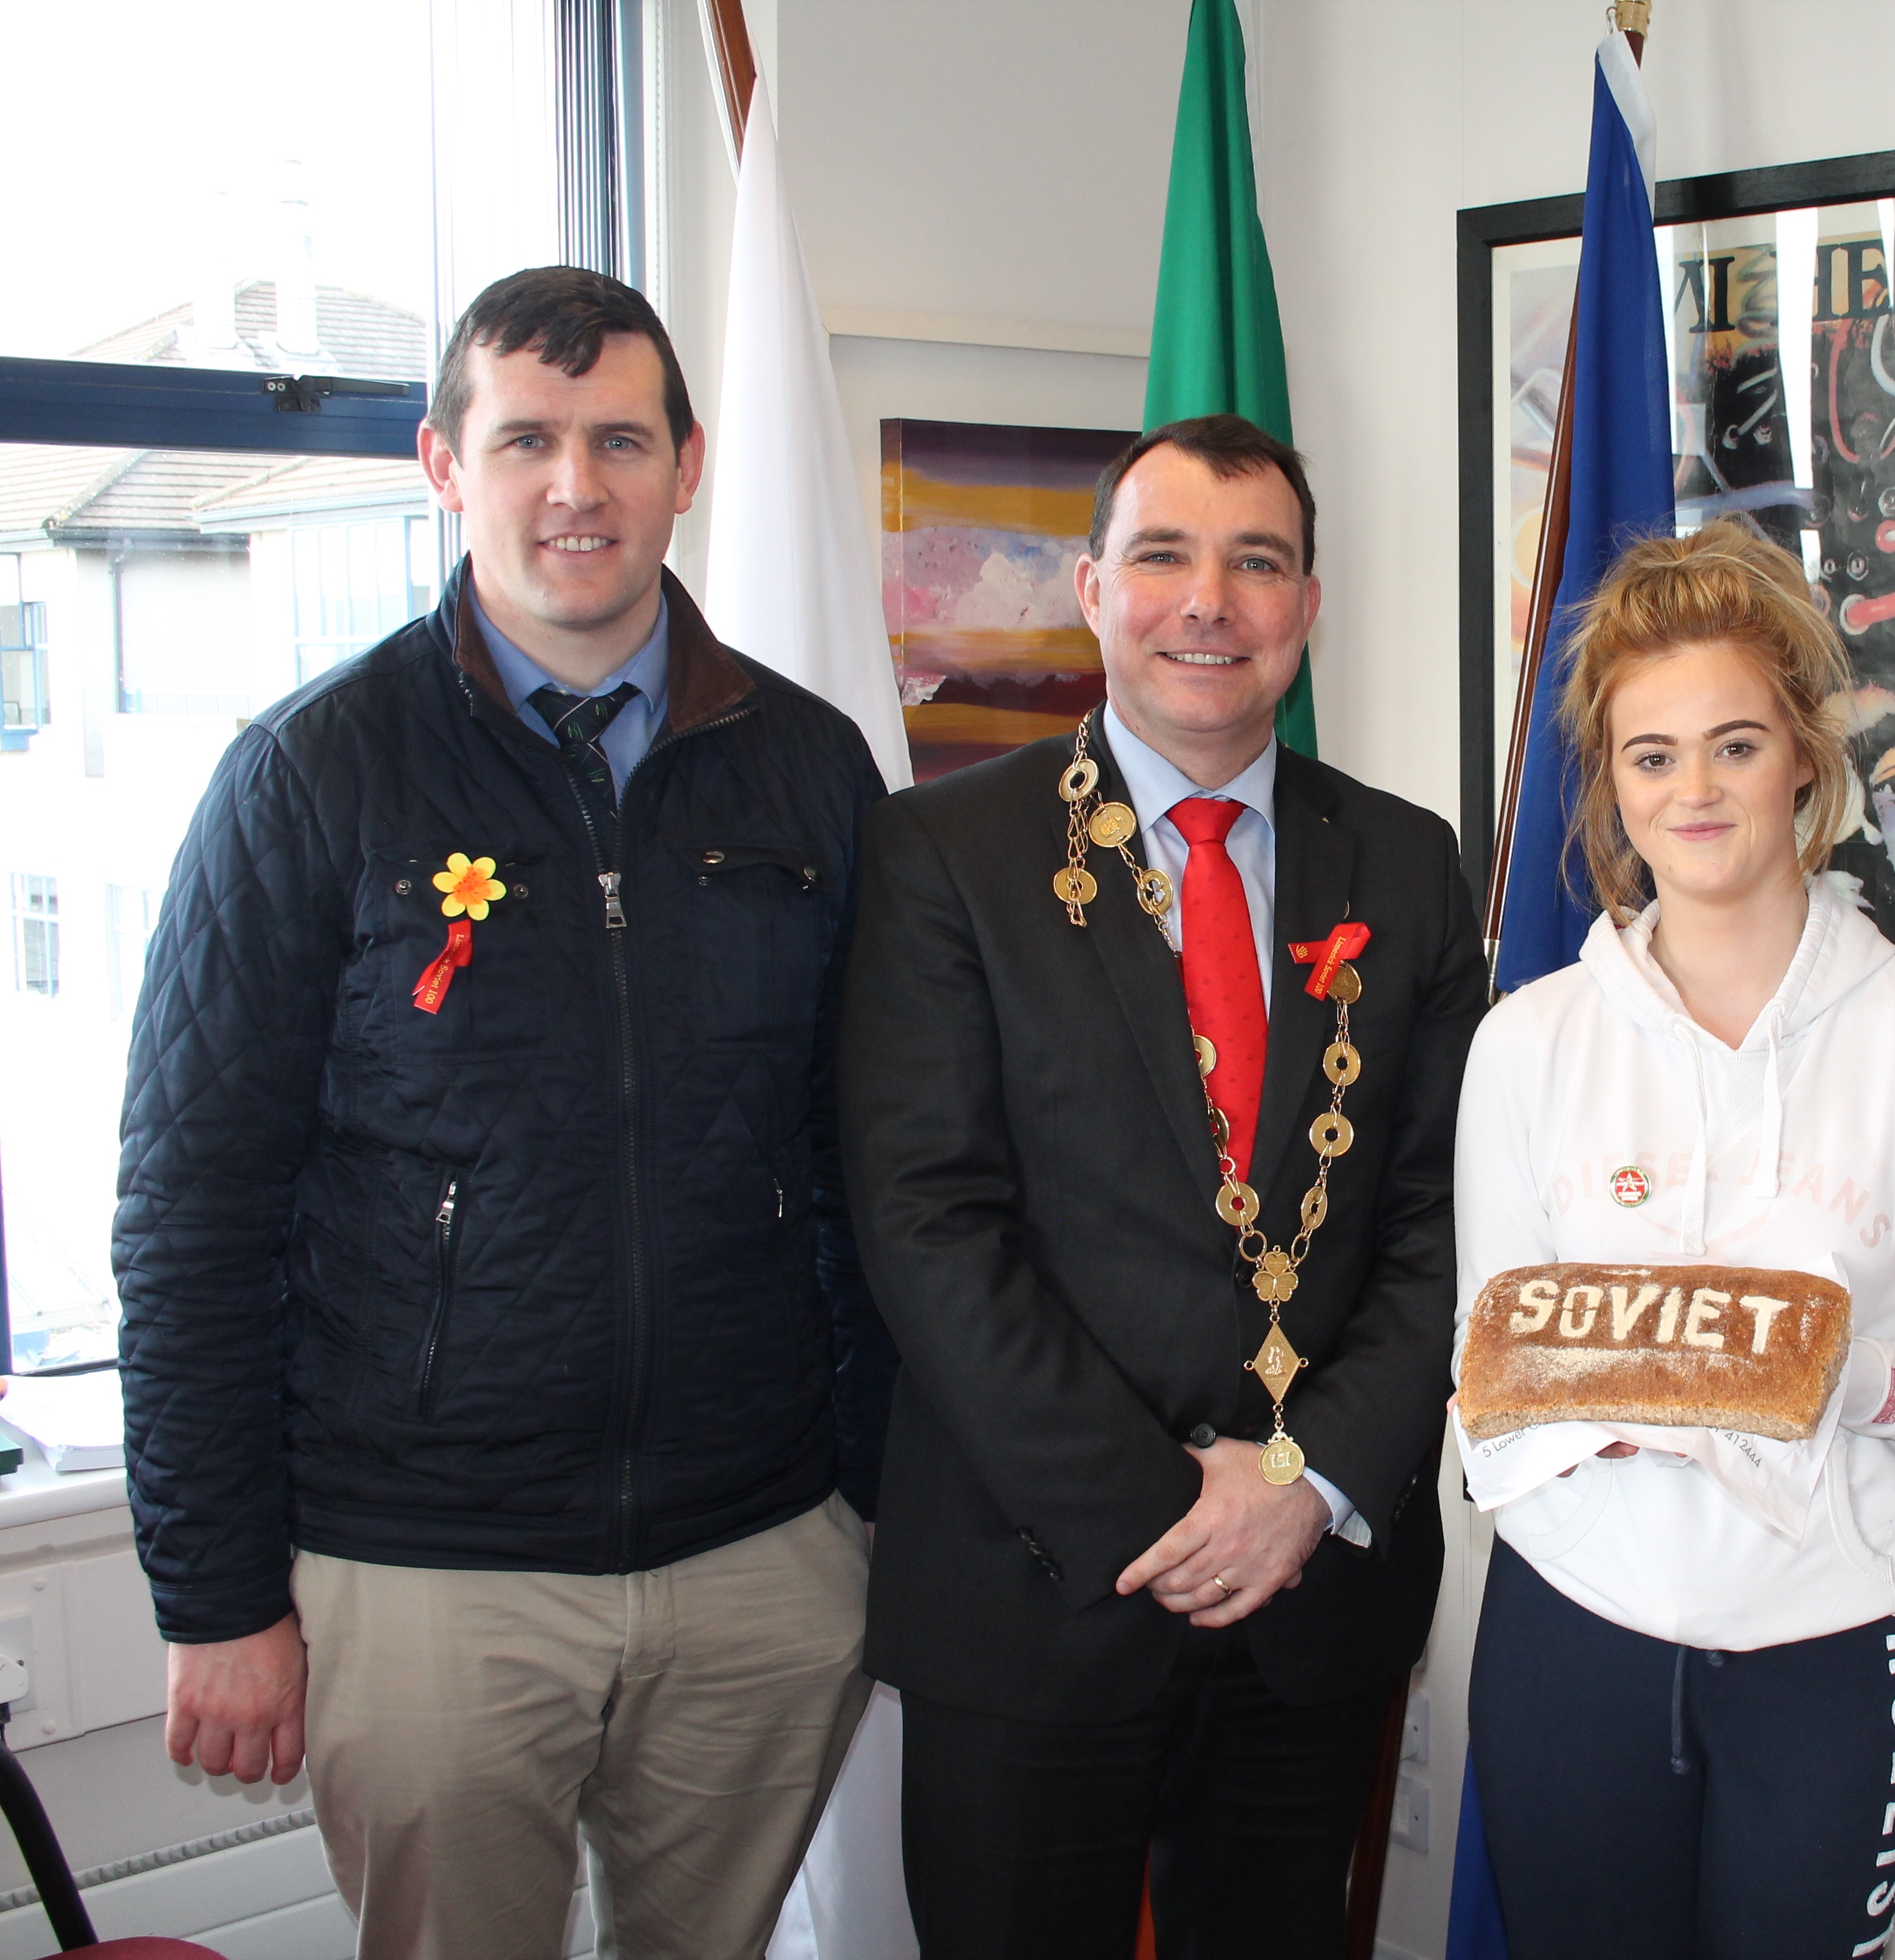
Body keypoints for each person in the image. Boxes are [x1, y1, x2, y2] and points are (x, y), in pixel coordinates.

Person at [114, 266, 890, 1957]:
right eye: (527, 436)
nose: (575, 484)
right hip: (426, 1577)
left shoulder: (813, 766)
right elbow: (194, 1213)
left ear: (688, 463)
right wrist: (219, 1593)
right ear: (444, 463)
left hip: (761, 1551)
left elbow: (878, 1168)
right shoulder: (314, 775)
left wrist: (882, 1501)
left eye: (620, 437)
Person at [838, 413, 1486, 1959]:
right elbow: (929, 1223)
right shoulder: (946, 850)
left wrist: (1300, 1484)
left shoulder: (1405, 861)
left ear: (1306, 605)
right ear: (1091, 587)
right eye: (1165, 557)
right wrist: (1167, 1507)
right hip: (1033, 1590)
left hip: (1313, 1597)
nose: (1211, 599)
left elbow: (1448, 1208)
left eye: (1256, 562)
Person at [1452, 520, 1895, 1960]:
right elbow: (1491, 1381)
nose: (1694, 790)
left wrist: (1820, 1374)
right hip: (1572, 1633)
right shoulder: (1527, 1042)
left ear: (1804, 758)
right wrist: (1657, 1377)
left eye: (1733, 743)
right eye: (1651, 756)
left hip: (1835, 1653)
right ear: (1612, 784)